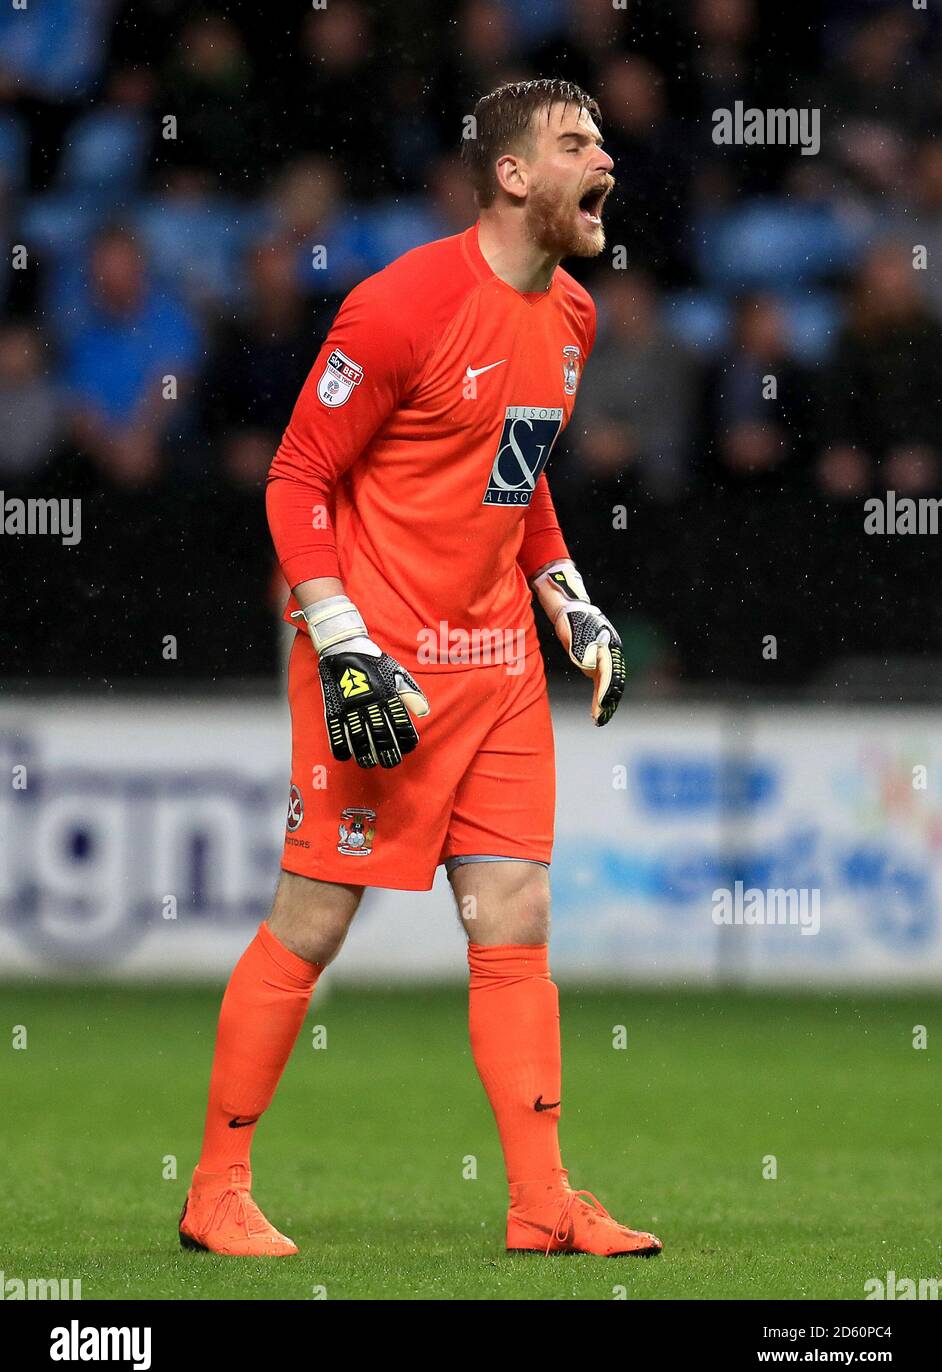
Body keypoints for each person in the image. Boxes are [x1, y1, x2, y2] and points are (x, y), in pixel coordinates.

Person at [180, 77, 663, 1261]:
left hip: (495, 660)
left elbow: (519, 461)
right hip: (375, 666)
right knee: (314, 916)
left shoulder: (574, 316)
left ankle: (543, 1200)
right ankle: (215, 1188)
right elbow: (293, 478)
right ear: (511, 174)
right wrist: (342, 640)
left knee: (516, 911)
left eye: (604, 136)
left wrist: (565, 595)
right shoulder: (401, 307)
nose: (605, 156)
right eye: (576, 141)